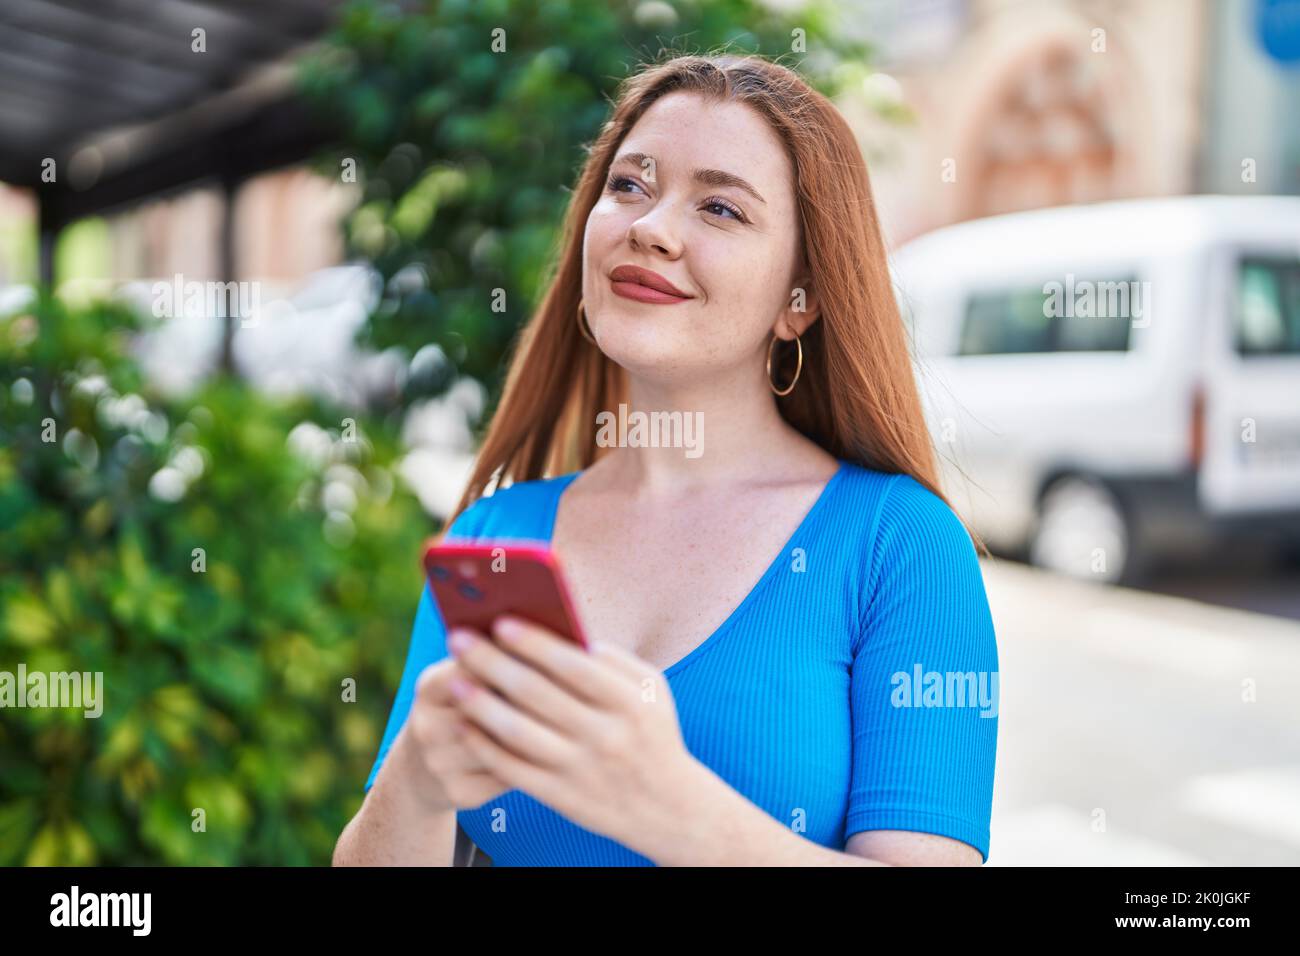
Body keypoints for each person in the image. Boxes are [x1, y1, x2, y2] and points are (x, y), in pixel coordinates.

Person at [333, 53, 999, 867]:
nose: (649, 226)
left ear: (802, 301)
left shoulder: (900, 545)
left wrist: (671, 810)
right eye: (629, 186)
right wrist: (419, 778)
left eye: (720, 207)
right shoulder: (495, 533)